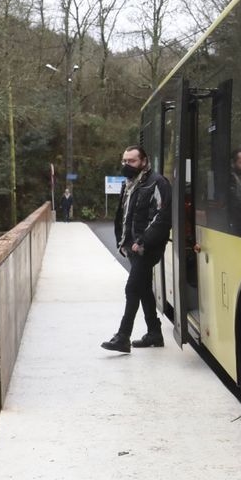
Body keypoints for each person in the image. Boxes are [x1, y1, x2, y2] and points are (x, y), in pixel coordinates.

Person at [101, 145, 172, 353]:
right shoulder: (129, 183)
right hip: (131, 246)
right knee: (143, 288)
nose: (126, 164)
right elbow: (123, 215)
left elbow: (162, 217)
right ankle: (154, 333)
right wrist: (121, 242)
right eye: (124, 161)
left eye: (131, 161)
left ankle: (123, 337)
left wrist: (142, 241)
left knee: (132, 288)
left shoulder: (157, 182)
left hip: (147, 248)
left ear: (143, 161)